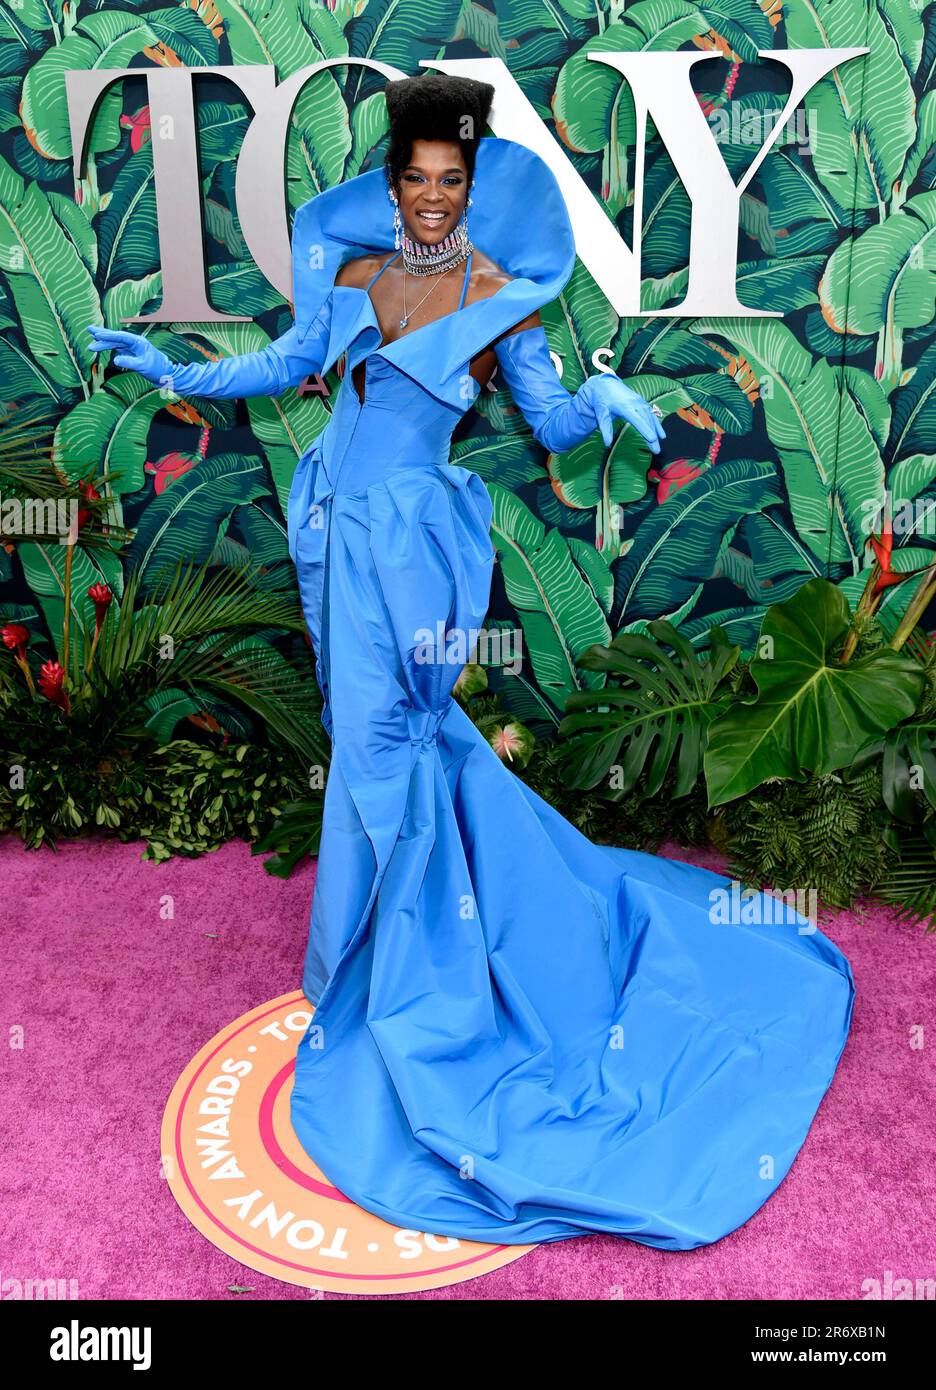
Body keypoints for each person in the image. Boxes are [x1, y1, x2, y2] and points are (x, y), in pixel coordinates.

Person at [87, 73, 854, 1250]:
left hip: (407, 546)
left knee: (387, 743)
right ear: (393, 179)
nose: (434, 201)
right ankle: (377, 946)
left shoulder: (503, 297)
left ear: (472, 179)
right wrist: (174, 370)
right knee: (374, 743)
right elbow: (287, 361)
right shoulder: (348, 267)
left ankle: (377, 972)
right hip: (336, 520)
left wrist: (596, 392)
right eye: (417, 180)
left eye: (453, 180)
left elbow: (543, 426)